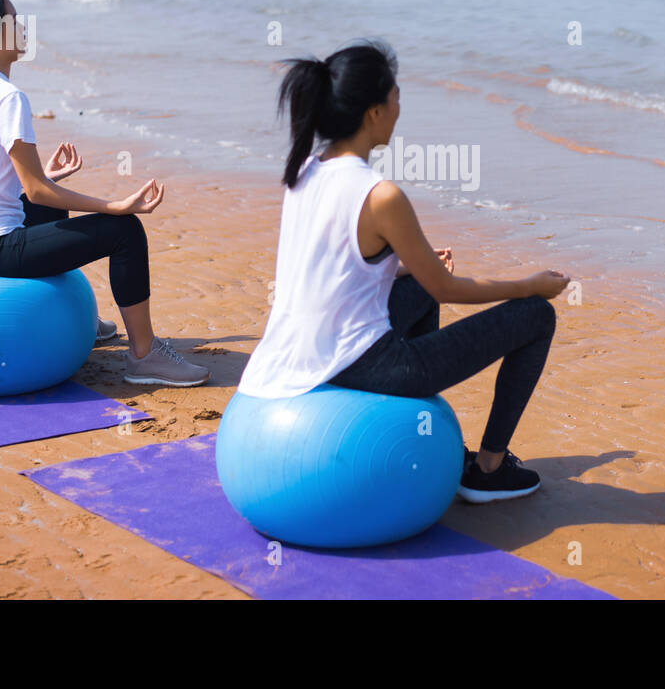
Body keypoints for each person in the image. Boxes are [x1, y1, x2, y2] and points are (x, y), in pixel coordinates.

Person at [238, 40, 569, 502]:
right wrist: (530, 285)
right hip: (360, 363)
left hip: (295, 353)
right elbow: (446, 287)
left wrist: (406, 272)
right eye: (396, 97)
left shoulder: (306, 172)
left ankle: (417, 433)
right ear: (373, 112)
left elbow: (328, 269)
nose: (400, 107)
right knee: (535, 316)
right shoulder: (380, 195)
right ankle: (489, 470)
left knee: (418, 284)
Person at [0, 0, 207, 386]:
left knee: (50, 208)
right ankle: (145, 356)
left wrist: (47, 177)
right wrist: (116, 206)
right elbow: (36, 190)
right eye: (13, 19)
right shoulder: (7, 97)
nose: (22, 26)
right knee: (124, 232)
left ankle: (84, 324)